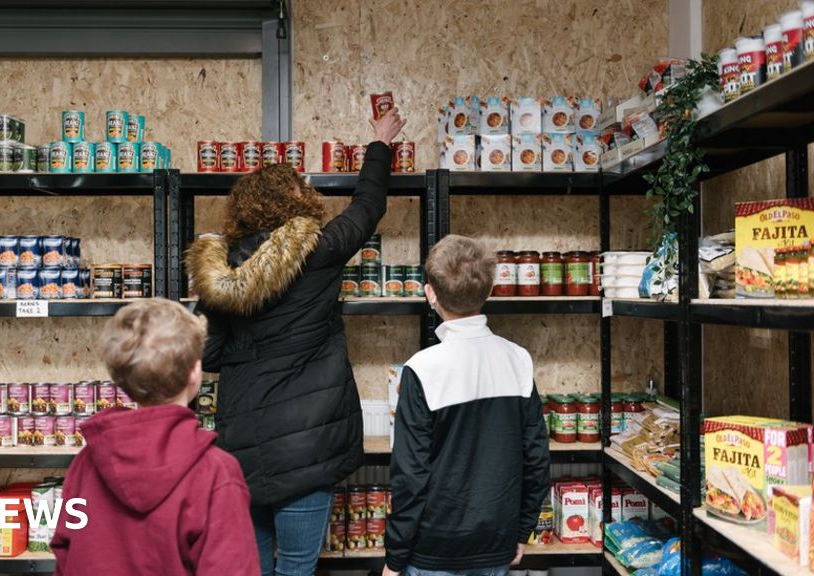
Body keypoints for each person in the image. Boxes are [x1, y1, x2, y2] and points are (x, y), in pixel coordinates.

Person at [185, 108, 407, 575]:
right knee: (299, 567)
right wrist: (380, 143)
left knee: (255, 567)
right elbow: (367, 206)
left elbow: (208, 354)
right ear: (295, 201)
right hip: (310, 442)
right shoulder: (319, 250)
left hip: (243, 444)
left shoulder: (220, 270)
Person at [50, 299, 259, 576]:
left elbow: (66, 552)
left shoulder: (86, 464)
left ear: (122, 378)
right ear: (195, 372)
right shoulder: (215, 473)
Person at [383, 235, 551, 576]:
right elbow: (536, 457)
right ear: (488, 291)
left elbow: (410, 475)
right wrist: (522, 531)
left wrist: (395, 557)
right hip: (496, 543)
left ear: (430, 294)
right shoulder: (517, 360)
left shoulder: (421, 369)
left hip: (434, 550)